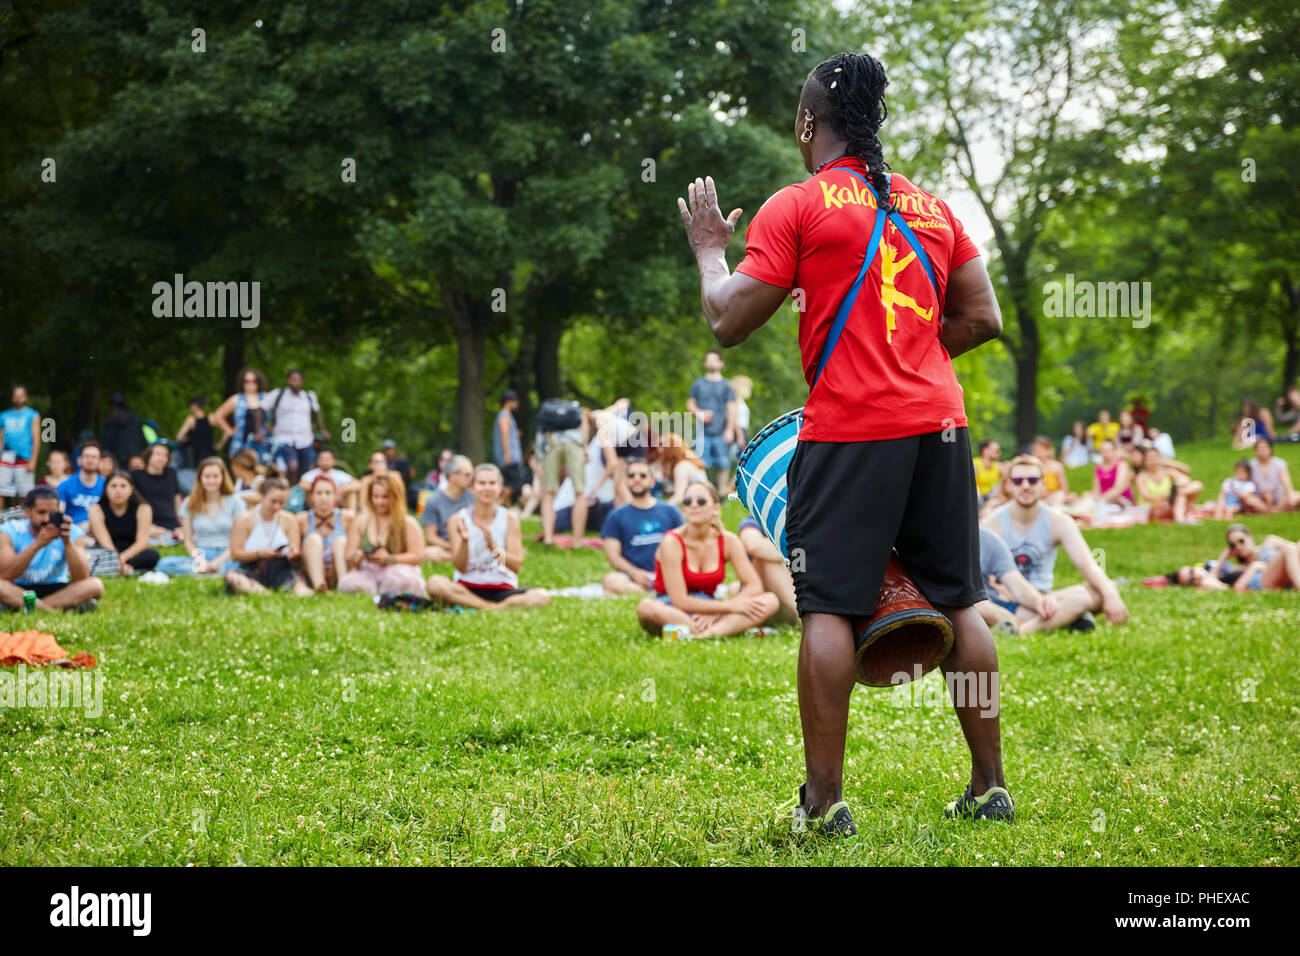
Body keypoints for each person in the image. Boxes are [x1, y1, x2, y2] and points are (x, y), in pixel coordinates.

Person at [676, 51, 1010, 831]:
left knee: (826, 607)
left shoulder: (797, 206)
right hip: (942, 427)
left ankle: (823, 805)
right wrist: (910, 361)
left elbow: (728, 317)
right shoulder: (934, 209)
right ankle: (989, 786)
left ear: (807, 124)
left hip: (851, 430)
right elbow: (983, 319)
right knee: (962, 607)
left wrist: (707, 251)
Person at [982, 455, 1129, 634]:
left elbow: (1089, 565)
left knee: (1097, 592)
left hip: (1046, 600)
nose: (1026, 486)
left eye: (1033, 480)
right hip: (1005, 600)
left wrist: (1111, 594)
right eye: (1019, 480)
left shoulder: (1058, 521)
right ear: (1009, 485)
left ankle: (1028, 626)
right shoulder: (991, 524)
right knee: (982, 608)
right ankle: (1061, 620)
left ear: (1043, 485)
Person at [635, 480, 778, 636]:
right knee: (646, 607)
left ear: (716, 508)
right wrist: (728, 607)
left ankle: (702, 634)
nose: (694, 505)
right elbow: (679, 600)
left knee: (770, 600)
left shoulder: (728, 541)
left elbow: (754, 586)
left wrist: (717, 611)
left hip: (711, 608)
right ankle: (714, 631)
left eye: (701, 501)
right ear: (683, 510)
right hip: (673, 609)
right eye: (688, 502)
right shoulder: (672, 542)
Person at [425, 465, 551, 610]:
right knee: (434, 584)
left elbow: (516, 565)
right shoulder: (457, 519)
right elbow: (460, 566)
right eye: (482, 483)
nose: (487, 488)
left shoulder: (510, 519)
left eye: (492, 483)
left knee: (541, 596)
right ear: (472, 487)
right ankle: (491, 607)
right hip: (467, 587)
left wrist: (494, 548)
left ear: (500, 488)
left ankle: (485, 606)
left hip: (502, 587)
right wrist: (465, 542)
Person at [0, 487, 104, 612]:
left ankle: (27, 607)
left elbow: (81, 577)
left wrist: (67, 542)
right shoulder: (9, 531)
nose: (46, 519)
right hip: (19, 588)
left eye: (52, 513)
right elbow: (5, 574)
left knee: (95, 585)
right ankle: (53, 609)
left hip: (56, 588)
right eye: (41, 512)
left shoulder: (73, 532)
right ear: (28, 511)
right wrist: (37, 544)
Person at [600, 462, 684, 594]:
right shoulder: (615, 517)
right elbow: (613, 556)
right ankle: (653, 591)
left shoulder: (671, 511)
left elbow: (687, 544)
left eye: (643, 475)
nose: (637, 479)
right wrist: (635, 573)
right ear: (626, 482)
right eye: (631, 476)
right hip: (632, 577)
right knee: (611, 581)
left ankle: (660, 588)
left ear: (652, 481)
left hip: (669, 572)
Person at [338, 473, 426, 596]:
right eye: (376, 496)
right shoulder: (361, 521)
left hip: (398, 569)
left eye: (385, 497)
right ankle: (378, 593)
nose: (379, 502)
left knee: (397, 580)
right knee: (348, 583)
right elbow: (348, 555)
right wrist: (356, 556)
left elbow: (418, 556)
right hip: (368, 572)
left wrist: (390, 559)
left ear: (395, 497)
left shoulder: (407, 522)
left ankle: (386, 595)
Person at [224, 476, 314, 596]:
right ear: (261, 496)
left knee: (303, 592)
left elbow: (295, 551)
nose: (277, 507)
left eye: (281, 503)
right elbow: (235, 554)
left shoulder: (289, 520)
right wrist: (259, 554)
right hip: (252, 567)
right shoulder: (244, 520)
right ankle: (260, 591)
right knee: (233, 577)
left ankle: (267, 591)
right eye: (273, 502)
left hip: (281, 567)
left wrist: (293, 553)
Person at [975, 526, 1055, 634]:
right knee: (982, 608)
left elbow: (1015, 582)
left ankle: (1020, 628)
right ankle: (1022, 629)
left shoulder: (988, 539)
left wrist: (1039, 601)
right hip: (976, 606)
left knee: (1079, 596)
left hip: (1000, 603)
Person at [176, 456, 247, 575]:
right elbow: (188, 541)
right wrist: (199, 560)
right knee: (165, 564)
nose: (211, 481)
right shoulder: (190, 502)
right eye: (207, 477)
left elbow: (240, 541)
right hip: (202, 553)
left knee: (241, 564)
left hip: (229, 554)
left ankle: (211, 571)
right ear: (200, 478)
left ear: (223, 478)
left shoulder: (235, 501)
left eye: (215, 476)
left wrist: (216, 563)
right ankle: (209, 571)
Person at [535, 400, 589, 546]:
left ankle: (548, 538)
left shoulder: (547, 411)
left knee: (548, 493)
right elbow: (583, 426)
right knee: (580, 492)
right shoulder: (576, 410)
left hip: (550, 443)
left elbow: (540, 431)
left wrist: (539, 456)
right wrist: (585, 447)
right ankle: (577, 541)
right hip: (574, 443)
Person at [86, 469, 159, 575]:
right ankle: (124, 568)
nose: (118, 490)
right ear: (106, 489)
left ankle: (124, 567)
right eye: (113, 486)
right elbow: (105, 542)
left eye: (123, 486)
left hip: (132, 553)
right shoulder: (96, 510)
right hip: (106, 553)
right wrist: (116, 560)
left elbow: (142, 542)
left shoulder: (143, 508)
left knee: (153, 555)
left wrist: (123, 558)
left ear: (131, 489)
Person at [687, 350, 738, 493]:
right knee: (701, 464)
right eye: (708, 360)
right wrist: (700, 413)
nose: (710, 362)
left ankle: (721, 494)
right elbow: (690, 404)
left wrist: (729, 430)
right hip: (702, 432)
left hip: (721, 431)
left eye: (714, 360)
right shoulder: (698, 384)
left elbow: (732, 408)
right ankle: (704, 492)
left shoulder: (726, 385)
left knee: (723, 464)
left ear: (721, 363)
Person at [267, 369, 329, 485]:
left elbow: (316, 414)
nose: (293, 382)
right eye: (291, 379)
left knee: (305, 471)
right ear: (287, 381)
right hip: (284, 439)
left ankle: (300, 496)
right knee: (292, 467)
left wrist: (322, 429)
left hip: (305, 439)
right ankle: (290, 494)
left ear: (302, 382)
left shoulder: (308, 397)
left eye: (297, 379)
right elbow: (261, 410)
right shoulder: (278, 395)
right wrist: (265, 428)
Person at [735, 516, 799, 625]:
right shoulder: (756, 520)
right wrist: (801, 550)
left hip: (799, 598)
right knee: (765, 560)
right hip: (767, 604)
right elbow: (753, 546)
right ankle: (804, 617)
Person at [296, 475, 354, 592]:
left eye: (328, 493)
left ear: (335, 496)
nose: (323, 497)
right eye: (319, 493)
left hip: (336, 568)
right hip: (311, 570)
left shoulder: (347, 517)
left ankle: (344, 585)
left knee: (341, 541)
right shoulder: (302, 519)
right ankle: (320, 586)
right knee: (313, 539)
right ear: (311, 496)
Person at [1213, 524, 1300, 591]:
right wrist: (1223, 557)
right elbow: (1214, 578)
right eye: (1233, 545)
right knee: (1289, 549)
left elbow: (1296, 549)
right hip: (1277, 580)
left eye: (1241, 541)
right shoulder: (1240, 568)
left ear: (1250, 537)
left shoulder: (1270, 542)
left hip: (1292, 570)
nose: (1238, 547)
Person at [421, 454, 472, 562]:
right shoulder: (433, 501)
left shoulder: (474, 498)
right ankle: (461, 557)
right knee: (428, 553)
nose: (471, 478)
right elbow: (430, 537)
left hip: (470, 544)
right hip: (446, 547)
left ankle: (462, 557)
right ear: (453, 476)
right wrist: (452, 546)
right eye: (467, 475)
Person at [212, 368, 269, 460]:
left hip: (262, 442)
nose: (250, 384)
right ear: (242, 383)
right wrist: (229, 431)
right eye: (246, 381)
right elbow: (218, 416)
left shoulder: (266, 397)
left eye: (254, 381)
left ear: (259, 382)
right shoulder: (236, 399)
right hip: (241, 442)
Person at [131, 442, 184, 540]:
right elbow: (132, 503)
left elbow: (177, 499)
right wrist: (146, 525)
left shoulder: (171, 473)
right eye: (158, 454)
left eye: (165, 455)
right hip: (149, 523)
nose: (162, 458)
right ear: (149, 455)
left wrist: (183, 524)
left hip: (171, 523)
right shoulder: (136, 475)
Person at [1, 384, 42, 507]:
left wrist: (33, 460)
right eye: (16, 396)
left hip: (24, 457)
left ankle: (24, 522)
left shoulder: (33, 415)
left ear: (25, 397)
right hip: (5, 457)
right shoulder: (3, 416)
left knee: (25, 493)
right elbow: (1, 439)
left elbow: (36, 439)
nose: (18, 398)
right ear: (12, 397)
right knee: (0, 491)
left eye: (21, 396)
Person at [56, 441, 105, 531]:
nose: (90, 460)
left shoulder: (107, 485)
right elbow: (59, 513)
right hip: (72, 532)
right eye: (87, 456)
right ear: (79, 460)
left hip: (100, 531)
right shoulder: (65, 485)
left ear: (100, 462)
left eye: (94, 457)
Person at [657, 433, 709, 508]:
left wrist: (662, 510)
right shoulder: (686, 462)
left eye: (661, 446)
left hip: (699, 504)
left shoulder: (682, 467)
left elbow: (679, 496)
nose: (659, 450)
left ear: (671, 449)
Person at [1248, 438, 1300, 511]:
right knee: (1249, 500)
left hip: (1278, 497)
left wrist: (1290, 495)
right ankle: (1269, 510)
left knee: (1296, 497)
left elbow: (1286, 482)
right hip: (1259, 497)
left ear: (1270, 449)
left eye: (1264, 448)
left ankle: (1275, 509)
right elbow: (1246, 484)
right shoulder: (1251, 465)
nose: (1262, 451)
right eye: (1259, 449)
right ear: (1255, 451)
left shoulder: (1279, 463)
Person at [494, 390, 526, 505]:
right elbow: (504, 435)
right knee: (514, 483)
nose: (517, 403)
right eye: (515, 400)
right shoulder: (504, 416)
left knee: (508, 483)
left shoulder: (507, 416)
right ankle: (498, 503)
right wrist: (507, 454)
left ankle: (504, 507)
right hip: (510, 457)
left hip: (511, 456)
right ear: (508, 401)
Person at [100, 391, 146, 472]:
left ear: (112, 405)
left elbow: (106, 443)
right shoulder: (136, 420)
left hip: (116, 461)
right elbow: (143, 442)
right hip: (135, 462)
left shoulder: (111, 421)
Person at [1090, 439, 1134, 510]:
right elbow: (1096, 490)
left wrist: (1101, 500)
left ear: (1114, 451)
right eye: (1103, 451)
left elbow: (1118, 488)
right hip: (1104, 501)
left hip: (1121, 500)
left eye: (1108, 451)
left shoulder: (1121, 464)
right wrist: (1096, 499)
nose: (1105, 454)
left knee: (1116, 499)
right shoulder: (1097, 469)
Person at [176, 396, 217, 468]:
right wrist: (220, 444)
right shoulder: (211, 417)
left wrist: (187, 439)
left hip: (196, 454)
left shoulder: (191, 420)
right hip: (211, 452)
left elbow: (179, 437)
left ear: (195, 406)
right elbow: (226, 431)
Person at [1031, 436, 1071, 507]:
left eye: (1041, 449)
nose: (1038, 453)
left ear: (1049, 450)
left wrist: (1061, 495)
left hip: (1054, 497)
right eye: (1035, 450)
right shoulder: (1031, 467)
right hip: (1038, 497)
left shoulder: (1056, 466)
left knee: (1059, 495)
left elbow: (1064, 487)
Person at [380, 440, 418, 511]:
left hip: (402, 488)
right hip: (384, 487)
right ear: (384, 451)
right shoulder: (381, 463)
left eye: (390, 449)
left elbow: (412, 474)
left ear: (394, 450)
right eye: (387, 450)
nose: (389, 452)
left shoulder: (402, 462)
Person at [972, 439, 1003, 510]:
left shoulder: (998, 467)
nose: (999, 453)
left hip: (992, 499)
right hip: (978, 500)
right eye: (996, 451)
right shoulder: (975, 465)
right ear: (985, 450)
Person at [730, 375, 753, 461]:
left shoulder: (739, 400)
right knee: (740, 462)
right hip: (739, 433)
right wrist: (740, 437)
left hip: (742, 432)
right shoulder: (735, 401)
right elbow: (736, 420)